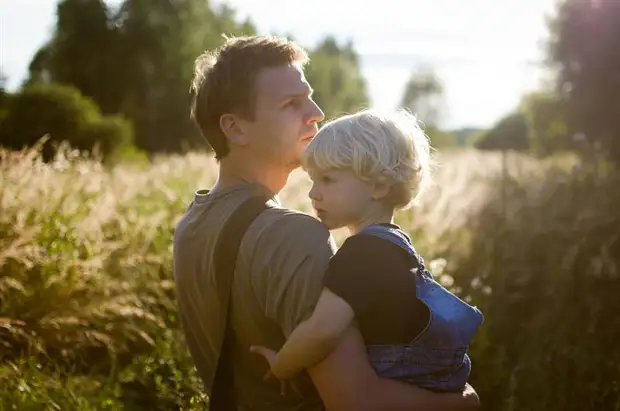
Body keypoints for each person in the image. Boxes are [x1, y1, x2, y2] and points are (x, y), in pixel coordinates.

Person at [173, 34, 480, 411]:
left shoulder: (192, 223)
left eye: (310, 96)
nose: (316, 112)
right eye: (291, 103)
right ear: (236, 129)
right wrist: (463, 402)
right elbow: (356, 400)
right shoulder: (292, 235)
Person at [249, 108, 484, 393]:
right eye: (313, 180)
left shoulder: (364, 253)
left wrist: (281, 366)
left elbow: (322, 330)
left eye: (328, 180)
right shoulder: (393, 245)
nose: (313, 193)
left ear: (379, 186)